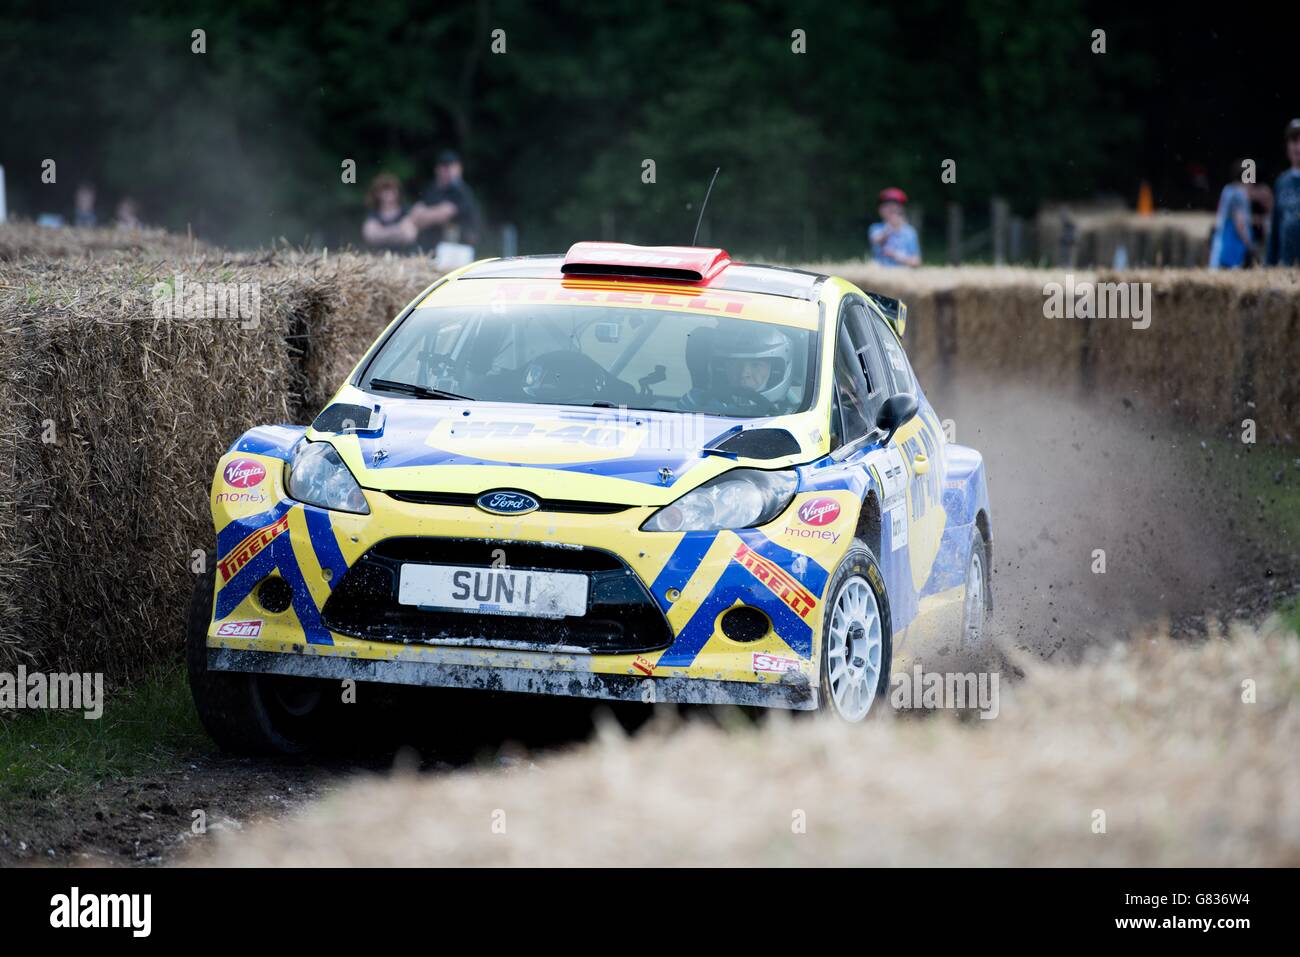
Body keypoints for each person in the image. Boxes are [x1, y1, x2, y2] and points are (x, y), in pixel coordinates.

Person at [406, 150, 482, 253]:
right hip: (434, 248)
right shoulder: (432, 189)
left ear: (459, 169)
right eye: (444, 167)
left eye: (451, 167)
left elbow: (443, 214)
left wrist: (424, 217)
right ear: (437, 169)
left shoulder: (461, 191)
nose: (448, 171)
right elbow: (415, 212)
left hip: (458, 247)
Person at [1265, 119, 1300, 267]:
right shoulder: (1282, 182)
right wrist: (1269, 264)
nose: (1298, 147)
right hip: (1287, 267)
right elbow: (1275, 226)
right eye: (1294, 141)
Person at [1209, 160, 1253, 268]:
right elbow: (1240, 224)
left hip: (1221, 244)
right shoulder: (1239, 195)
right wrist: (1250, 245)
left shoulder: (1227, 190)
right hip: (1233, 246)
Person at [361, 173, 418, 252]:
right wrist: (398, 230)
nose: (388, 195)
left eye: (391, 191)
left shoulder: (405, 212)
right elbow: (369, 235)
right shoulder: (373, 214)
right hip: (378, 256)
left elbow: (410, 235)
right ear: (377, 194)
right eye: (385, 191)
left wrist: (381, 233)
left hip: (404, 255)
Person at [868, 187, 921, 267]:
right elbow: (876, 240)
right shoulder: (876, 228)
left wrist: (896, 255)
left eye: (894, 207)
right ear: (880, 210)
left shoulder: (909, 232)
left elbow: (916, 262)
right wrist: (890, 227)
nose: (890, 210)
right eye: (886, 206)